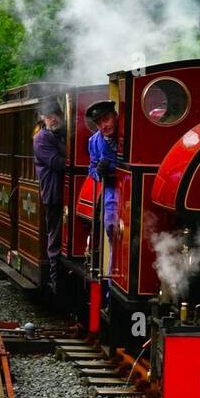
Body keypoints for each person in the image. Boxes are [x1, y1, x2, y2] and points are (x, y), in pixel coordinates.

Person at [33, 98, 66, 297]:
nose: (52, 120)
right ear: (44, 119)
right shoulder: (42, 139)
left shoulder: (59, 136)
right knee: (55, 238)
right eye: (49, 117)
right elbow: (57, 163)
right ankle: (56, 282)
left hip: (63, 192)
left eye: (55, 116)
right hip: (53, 193)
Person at [86, 99, 119, 298]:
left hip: (128, 190)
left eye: (106, 119)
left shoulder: (127, 133)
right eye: (99, 123)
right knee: (112, 231)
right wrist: (99, 172)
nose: (104, 126)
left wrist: (113, 167)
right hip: (111, 193)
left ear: (115, 116)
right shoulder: (94, 141)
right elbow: (92, 169)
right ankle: (111, 282)